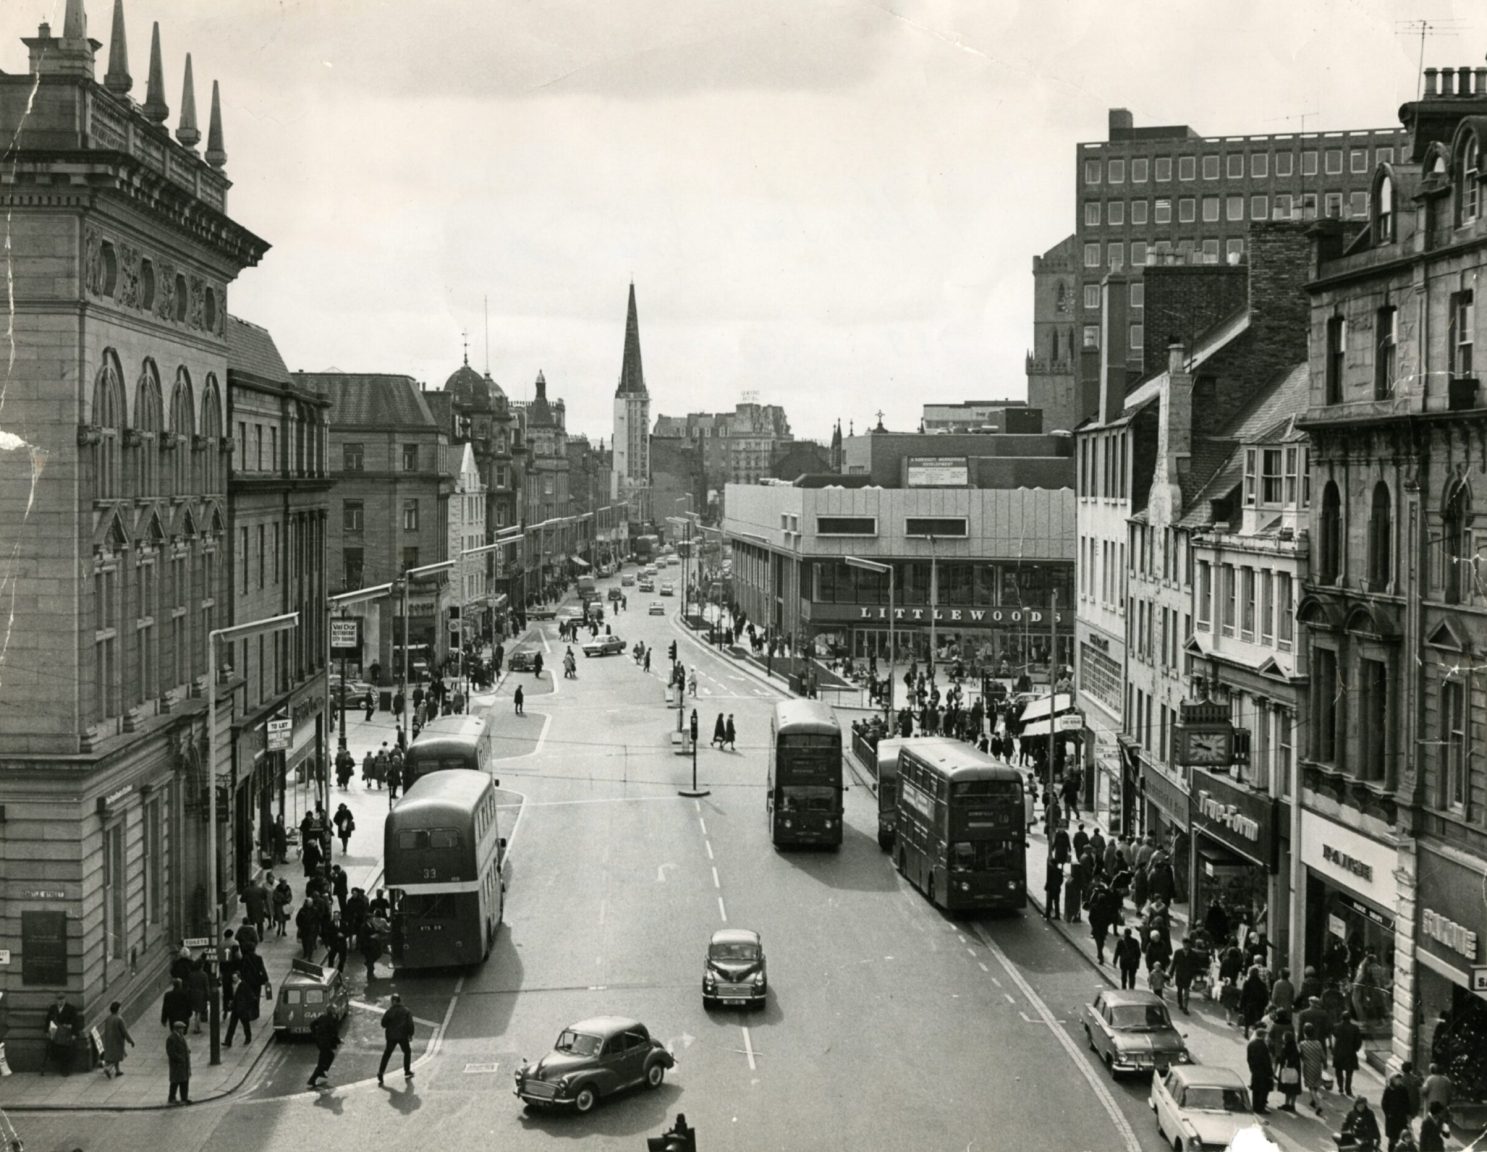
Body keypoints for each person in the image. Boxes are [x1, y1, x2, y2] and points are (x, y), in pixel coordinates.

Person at [225, 940, 269, 1047]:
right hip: (256, 982)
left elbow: (241, 970)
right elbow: (262, 969)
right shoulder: (258, 958)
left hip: (247, 983)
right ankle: (254, 1013)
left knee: (242, 1013)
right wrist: (265, 979)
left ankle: (232, 1039)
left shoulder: (244, 959)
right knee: (255, 998)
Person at [377, 992, 416, 1086]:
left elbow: (383, 1024)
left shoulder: (389, 1011)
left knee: (387, 1054)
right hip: (402, 1036)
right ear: (399, 1001)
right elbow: (410, 1024)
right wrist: (410, 1034)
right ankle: (407, 1070)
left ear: (393, 1001)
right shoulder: (406, 1011)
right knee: (407, 1051)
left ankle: (381, 1072)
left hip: (391, 1036)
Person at [98, 1000, 135, 1079]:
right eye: (120, 1008)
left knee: (113, 1056)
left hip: (109, 1040)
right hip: (117, 1041)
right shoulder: (119, 1019)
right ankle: (108, 1069)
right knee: (116, 1057)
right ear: (118, 1009)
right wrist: (131, 1041)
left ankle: (118, 1071)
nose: (121, 1009)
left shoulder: (108, 1018)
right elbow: (124, 1032)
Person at [307, 1009, 341, 1089]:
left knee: (330, 1055)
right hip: (325, 1044)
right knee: (322, 1061)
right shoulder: (333, 1021)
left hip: (320, 1042)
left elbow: (312, 1025)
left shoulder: (322, 1017)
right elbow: (334, 1034)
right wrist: (339, 1041)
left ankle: (322, 1071)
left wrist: (315, 1034)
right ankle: (312, 1079)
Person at [1333, 1009, 1364, 1097]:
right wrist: (1355, 1049)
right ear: (1350, 1018)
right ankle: (1348, 1089)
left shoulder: (1336, 1027)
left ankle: (1340, 1087)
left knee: (1338, 1071)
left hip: (1339, 1052)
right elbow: (1359, 1041)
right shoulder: (1355, 1028)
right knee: (1349, 1073)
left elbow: (1334, 1036)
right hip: (1350, 1053)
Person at [1299, 1022, 1328, 1112]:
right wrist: (1325, 1063)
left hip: (1308, 1067)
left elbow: (1300, 1055)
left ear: (1304, 1033)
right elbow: (1323, 1056)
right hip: (1317, 1066)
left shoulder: (1302, 1044)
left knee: (1311, 1087)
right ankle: (1313, 1100)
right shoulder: (1318, 1043)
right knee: (1316, 1083)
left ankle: (1318, 1105)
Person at [1247, 1023, 1274, 1114]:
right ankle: (1260, 1108)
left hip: (1255, 1071)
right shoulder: (1263, 1046)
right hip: (1263, 1072)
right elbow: (1266, 1061)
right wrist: (1270, 1073)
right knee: (1263, 1091)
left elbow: (1249, 1058)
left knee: (1255, 1090)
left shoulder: (1251, 1044)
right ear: (1262, 1036)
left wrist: (1252, 1068)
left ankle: (1255, 1106)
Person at [1381, 1073, 1413, 1148]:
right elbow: (1384, 1103)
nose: (1398, 1081)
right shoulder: (1388, 1090)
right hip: (1392, 1118)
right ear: (1392, 1080)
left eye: (1399, 1079)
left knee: (1403, 1137)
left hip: (1401, 1118)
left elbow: (1407, 1102)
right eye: (1397, 1079)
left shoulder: (1403, 1089)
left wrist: (1408, 1114)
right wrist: (1388, 1113)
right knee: (1392, 1139)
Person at [1276, 1027, 1303, 1112]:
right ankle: (1292, 1105)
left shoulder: (1285, 1048)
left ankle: (1286, 1103)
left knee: (1287, 1088)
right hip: (1296, 1070)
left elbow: (1282, 1059)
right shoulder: (1295, 1047)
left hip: (1287, 1070)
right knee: (1294, 1088)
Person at [1240, 965, 1270, 1038]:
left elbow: (1243, 995)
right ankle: (1256, 1034)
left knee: (1247, 1020)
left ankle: (1246, 1033)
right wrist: (1264, 1004)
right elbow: (1265, 996)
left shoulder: (1247, 983)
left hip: (1248, 1005)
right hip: (1259, 1006)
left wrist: (1241, 1005)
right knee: (1257, 1019)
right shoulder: (1262, 984)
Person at [166, 1021, 192, 1104]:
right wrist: (180, 1058)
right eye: (182, 1028)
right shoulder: (171, 1038)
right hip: (176, 1065)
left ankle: (184, 1098)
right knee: (175, 1082)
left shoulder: (181, 1037)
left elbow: (183, 1047)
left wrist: (187, 1051)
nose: (183, 1030)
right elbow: (171, 1052)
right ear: (177, 1029)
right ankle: (171, 1098)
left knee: (184, 1081)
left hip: (183, 1064)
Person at [1171, 938, 1195, 1013]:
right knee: (1179, 991)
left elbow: (1195, 965)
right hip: (1179, 975)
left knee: (1187, 992)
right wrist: (1171, 973)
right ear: (1183, 944)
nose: (1186, 946)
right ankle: (1180, 1003)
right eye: (1185, 944)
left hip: (1188, 976)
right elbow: (1174, 963)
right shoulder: (1177, 952)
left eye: (1188, 944)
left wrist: (1193, 974)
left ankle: (1185, 1007)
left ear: (1190, 945)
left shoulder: (1193, 954)